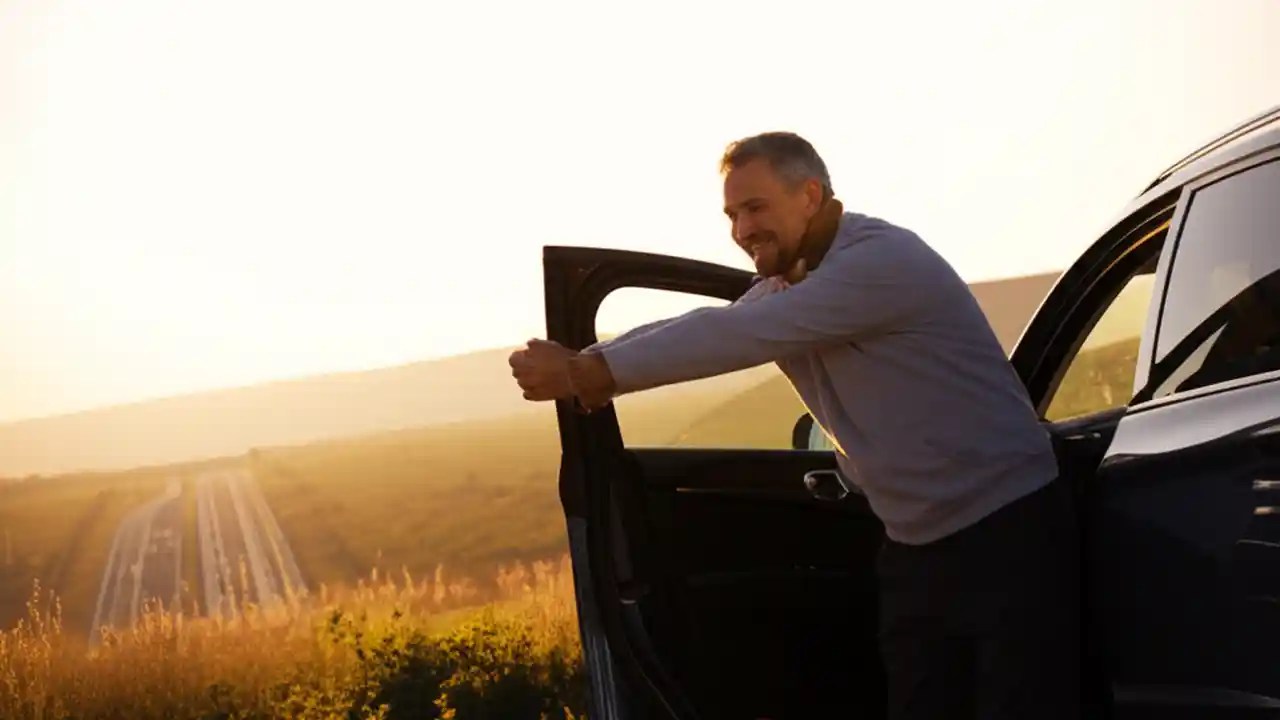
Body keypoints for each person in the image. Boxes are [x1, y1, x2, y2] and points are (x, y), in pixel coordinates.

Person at [509, 132, 1081, 719]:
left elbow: (736, 336)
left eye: (755, 207)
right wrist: (586, 361)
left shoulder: (879, 262)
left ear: (810, 195)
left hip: (1008, 529)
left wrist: (586, 373)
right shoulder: (794, 280)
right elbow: (712, 321)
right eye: (732, 214)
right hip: (914, 549)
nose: (741, 230)